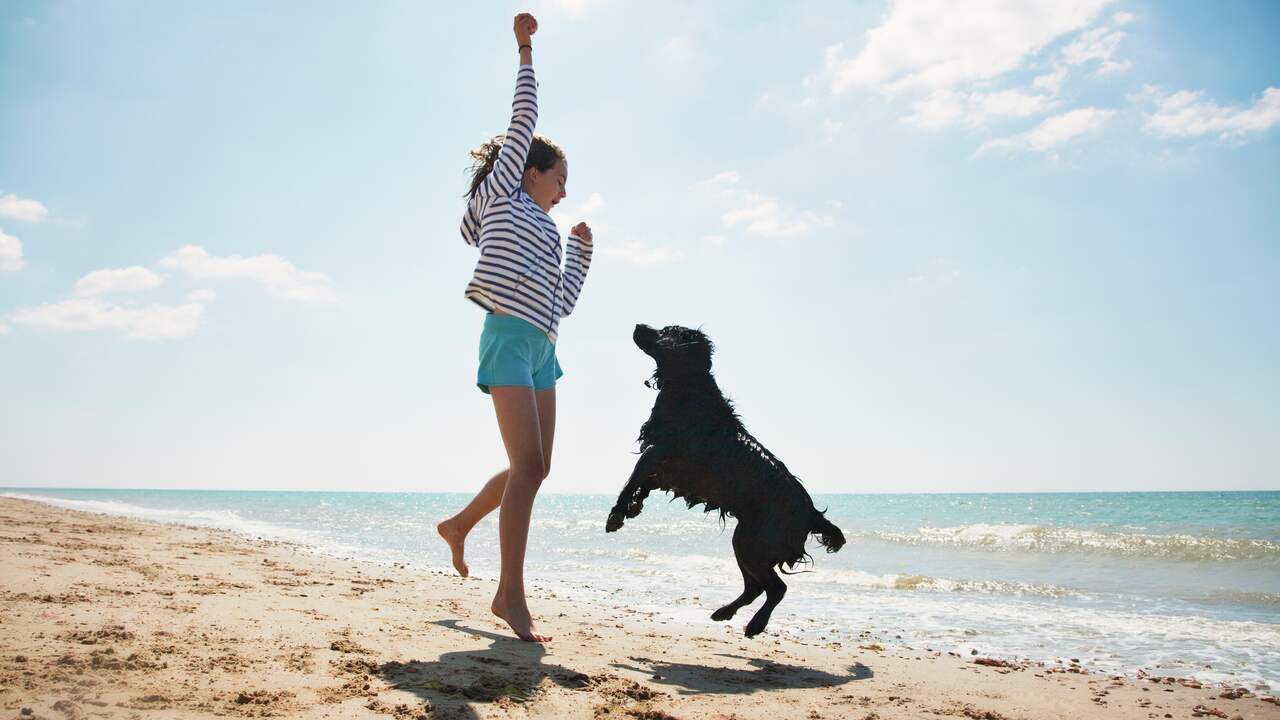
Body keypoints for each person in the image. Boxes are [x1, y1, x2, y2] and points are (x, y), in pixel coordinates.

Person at [437, 11, 593, 643]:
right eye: (559, 181)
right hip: (505, 339)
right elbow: (523, 119)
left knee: (536, 467)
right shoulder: (506, 195)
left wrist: (582, 253)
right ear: (531, 172)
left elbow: (561, 304)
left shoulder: (551, 229)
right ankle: (509, 595)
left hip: (543, 349)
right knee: (527, 468)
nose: (563, 193)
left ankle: (459, 525)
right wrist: (525, 49)